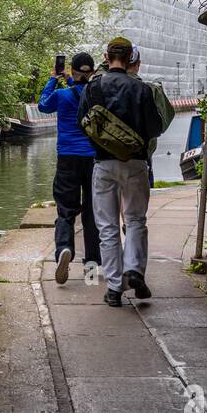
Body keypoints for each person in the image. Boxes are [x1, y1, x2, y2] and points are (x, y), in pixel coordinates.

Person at [78, 37, 164, 307]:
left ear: (106, 56)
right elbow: (154, 128)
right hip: (136, 163)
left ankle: (114, 288)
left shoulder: (93, 88)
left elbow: (83, 123)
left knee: (107, 227)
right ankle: (135, 270)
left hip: (103, 163)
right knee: (136, 220)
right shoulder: (142, 90)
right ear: (130, 58)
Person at [38, 52, 101, 284]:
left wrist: (54, 79)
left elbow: (43, 106)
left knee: (66, 210)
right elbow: (83, 90)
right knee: (92, 213)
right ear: (92, 72)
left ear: (72, 71)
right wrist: (74, 80)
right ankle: (92, 271)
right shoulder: (96, 94)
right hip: (94, 159)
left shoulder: (62, 95)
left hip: (67, 158)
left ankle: (64, 249)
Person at [126, 46, 175, 189]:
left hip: (107, 159)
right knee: (137, 209)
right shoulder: (149, 90)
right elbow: (162, 124)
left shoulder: (99, 86)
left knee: (107, 209)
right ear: (138, 64)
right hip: (141, 156)